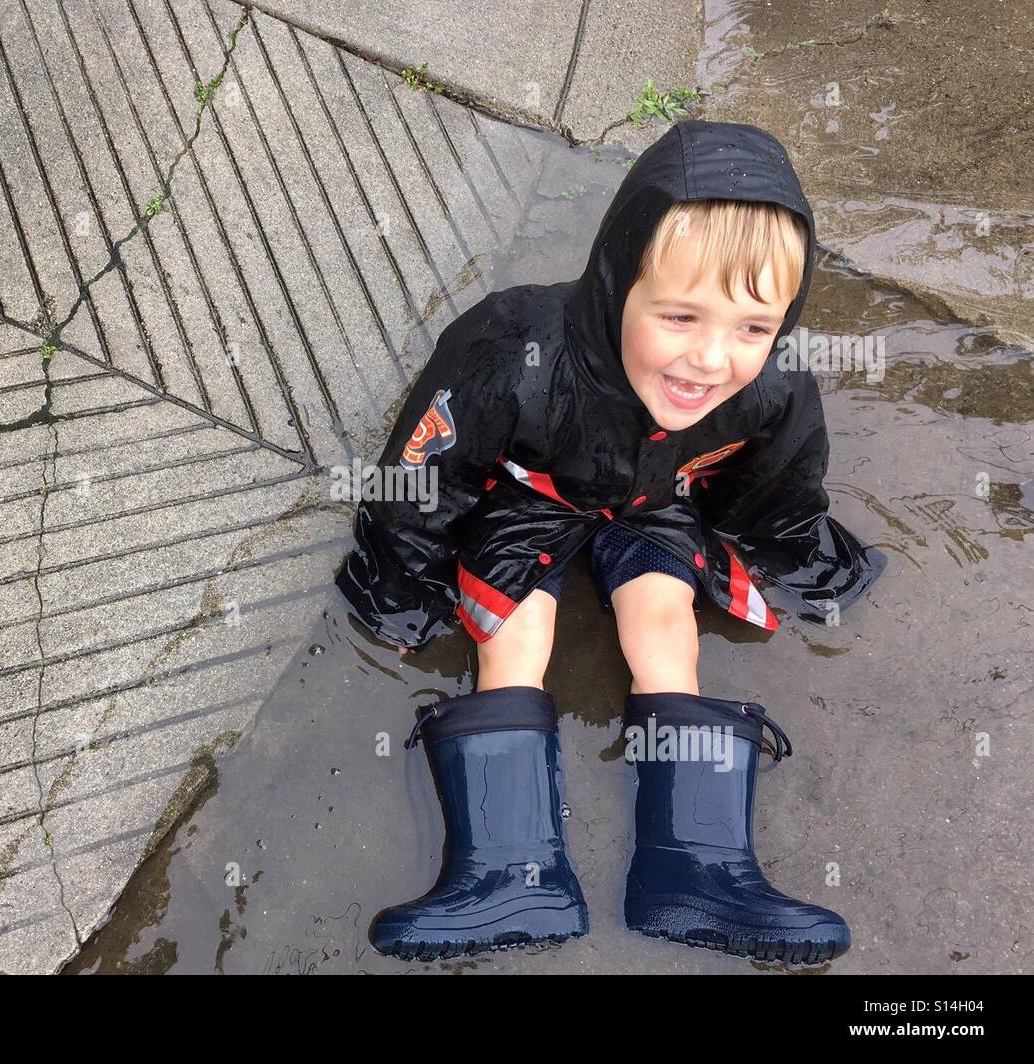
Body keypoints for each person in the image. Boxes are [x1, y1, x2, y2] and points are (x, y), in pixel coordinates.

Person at [335, 121, 887, 964]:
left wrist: (795, 554)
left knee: (665, 627)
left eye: (752, 327)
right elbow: (426, 473)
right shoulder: (512, 351)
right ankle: (507, 871)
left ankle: (698, 867)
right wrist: (401, 579)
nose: (709, 358)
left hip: (658, 500)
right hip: (529, 497)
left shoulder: (772, 382)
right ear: (616, 279)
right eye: (678, 315)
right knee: (514, 633)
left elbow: (776, 482)